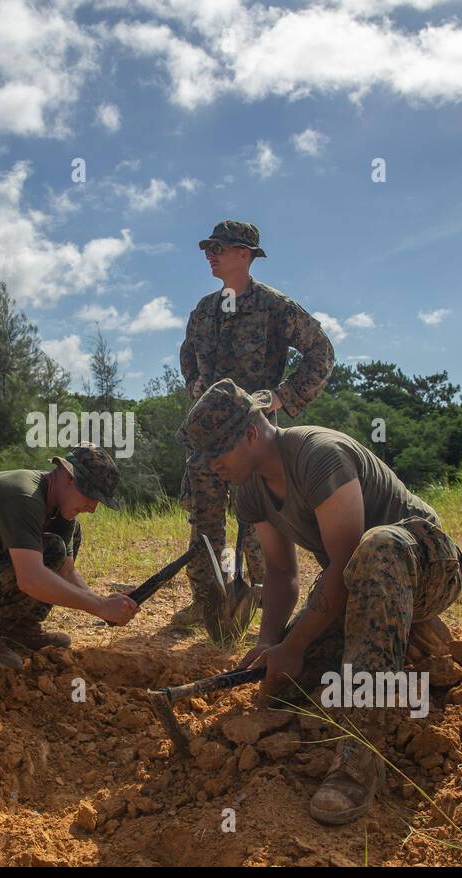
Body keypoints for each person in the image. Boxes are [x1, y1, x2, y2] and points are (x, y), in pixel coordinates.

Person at [181, 380, 462, 825]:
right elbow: (281, 573)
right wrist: (271, 643)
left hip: (427, 565)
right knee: (290, 682)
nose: (213, 467)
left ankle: (359, 758)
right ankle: (405, 631)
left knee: (375, 549)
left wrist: (294, 644)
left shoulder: (319, 455)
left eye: (218, 454)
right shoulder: (249, 489)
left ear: (251, 434)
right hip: (359, 581)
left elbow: (346, 561)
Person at [175, 221, 334, 639]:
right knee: (205, 521)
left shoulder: (274, 307)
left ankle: (265, 604)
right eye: (207, 248)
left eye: (219, 248)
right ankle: (208, 603)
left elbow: (321, 352)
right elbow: (187, 354)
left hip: (254, 439)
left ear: (244, 255)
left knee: (259, 520)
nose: (210, 255)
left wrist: (284, 396)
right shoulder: (203, 311)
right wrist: (193, 383)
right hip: (209, 440)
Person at [0, 445, 138, 669]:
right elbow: (30, 578)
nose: (93, 508)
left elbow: (66, 572)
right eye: (91, 495)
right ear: (69, 478)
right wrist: (99, 606)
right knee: (52, 549)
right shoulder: (24, 496)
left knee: (66, 538)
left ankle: (20, 628)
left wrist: (105, 605)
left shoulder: (60, 509)